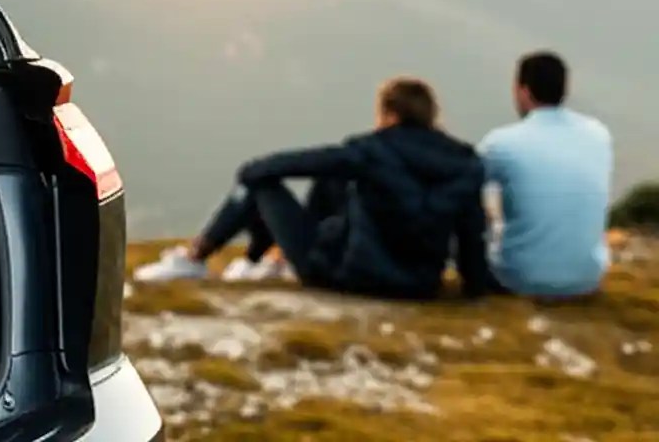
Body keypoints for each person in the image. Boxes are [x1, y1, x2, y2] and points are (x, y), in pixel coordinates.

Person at [135, 77, 492, 299]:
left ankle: (194, 259)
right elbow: (471, 233)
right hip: (420, 284)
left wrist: (252, 170)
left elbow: (286, 166)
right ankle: (265, 261)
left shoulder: (369, 150)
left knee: (263, 184)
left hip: (349, 277)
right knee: (335, 177)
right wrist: (476, 288)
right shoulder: (464, 163)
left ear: (389, 114)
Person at [478, 52, 612, 297]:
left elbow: (466, 186)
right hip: (588, 278)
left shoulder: (501, 142)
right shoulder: (598, 134)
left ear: (524, 91)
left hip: (519, 276)